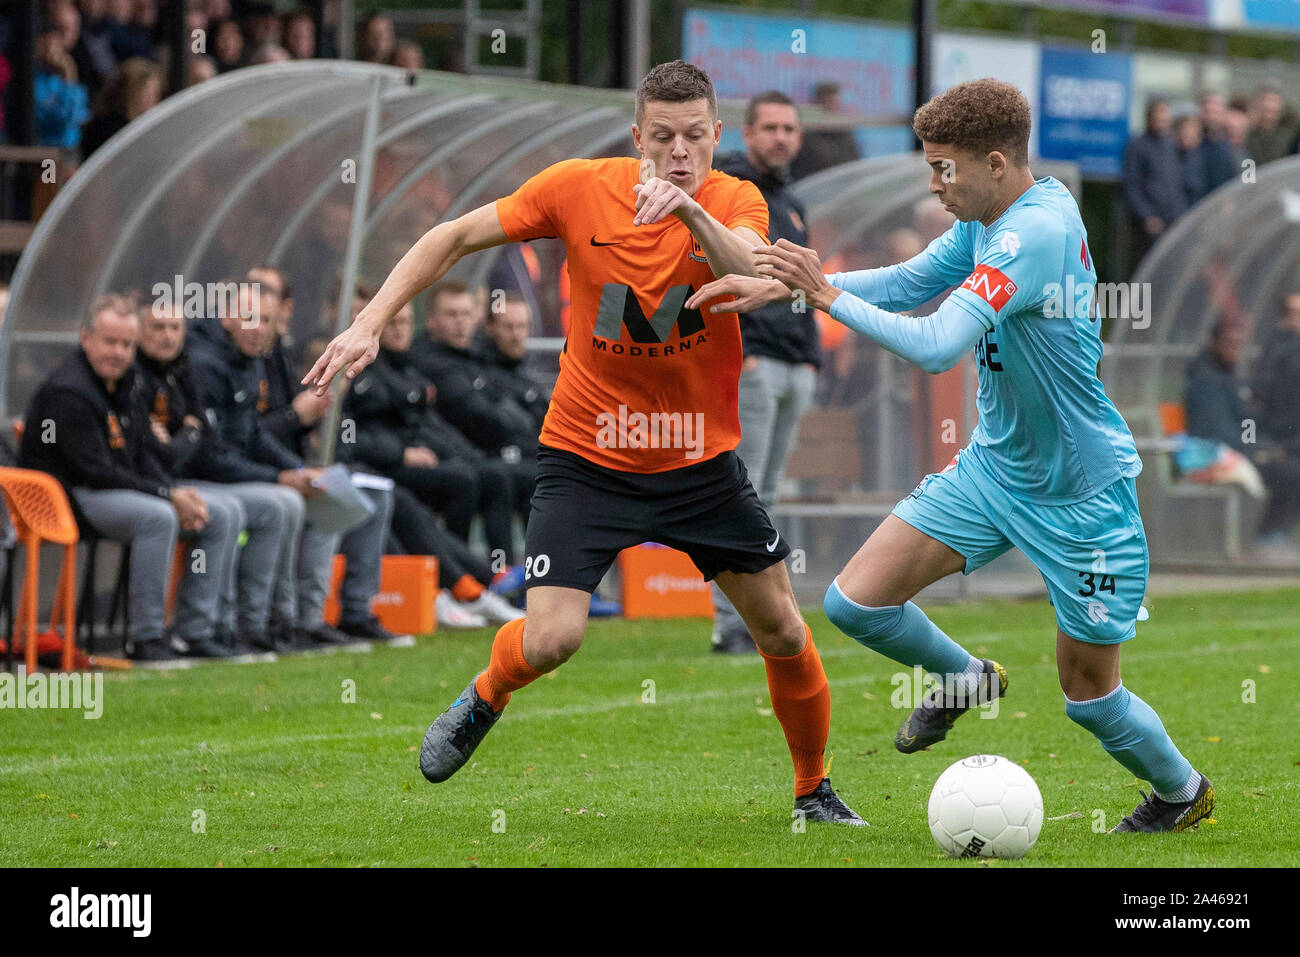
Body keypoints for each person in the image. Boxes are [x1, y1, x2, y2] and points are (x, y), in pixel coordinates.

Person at [304, 60, 865, 825]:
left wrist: (688, 213)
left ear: (716, 137)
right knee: (552, 639)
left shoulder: (737, 197)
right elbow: (454, 234)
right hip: (588, 458)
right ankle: (486, 693)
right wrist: (369, 321)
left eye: (693, 138)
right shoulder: (578, 187)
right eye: (661, 137)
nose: (677, 152)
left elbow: (748, 267)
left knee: (783, 628)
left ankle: (814, 790)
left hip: (699, 463)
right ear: (637, 136)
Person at [696, 78, 1214, 834]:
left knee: (1090, 696)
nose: (933, 183)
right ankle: (965, 677)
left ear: (996, 163)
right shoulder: (989, 216)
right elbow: (911, 282)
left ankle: (1180, 791)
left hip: (1083, 497)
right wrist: (793, 290)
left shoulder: (1030, 232)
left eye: (945, 168)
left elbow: (940, 346)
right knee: (854, 601)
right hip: (994, 471)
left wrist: (827, 298)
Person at [19, 295, 240, 662]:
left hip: (110, 489)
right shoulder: (68, 391)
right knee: (157, 517)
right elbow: (96, 471)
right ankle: (146, 638)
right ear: (86, 338)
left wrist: (172, 491)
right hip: (68, 496)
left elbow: (142, 455)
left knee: (219, 512)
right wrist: (166, 497)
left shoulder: (127, 383)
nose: (118, 352)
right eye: (109, 342)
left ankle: (197, 631)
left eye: (125, 344)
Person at [703, 91, 819, 653]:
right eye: (770, 127)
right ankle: (731, 624)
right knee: (740, 494)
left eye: (790, 128)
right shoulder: (731, 191)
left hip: (796, 366)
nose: (781, 137)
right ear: (745, 134)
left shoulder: (794, 201)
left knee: (767, 493)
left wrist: (811, 358)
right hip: (754, 363)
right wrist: (741, 353)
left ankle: (762, 621)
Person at [135, 299, 289, 655]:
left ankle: (251, 624)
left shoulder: (181, 369)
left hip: (172, 480)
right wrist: (181, 447)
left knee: (277, 505)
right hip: (153, 484)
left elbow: (202, 436)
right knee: (221, 511)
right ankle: (164, 634)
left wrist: (288, 471)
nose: (167, 336)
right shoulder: (185, 368)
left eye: (174, 328)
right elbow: (184, 452)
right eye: (158, 328)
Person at [1185, 318, 1300, 560]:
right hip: (1216, 456)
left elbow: (1247, 422)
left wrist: (1268, 445)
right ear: (1214, 343)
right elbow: (1215, 431)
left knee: (1292, 462)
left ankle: (1273, 535)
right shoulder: (1206, 381)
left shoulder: (1228, 377)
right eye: (1229, 342)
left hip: (1240, 450)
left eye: (1238, 343)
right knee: (1293, 473)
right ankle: (1269, 537)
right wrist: (1260, 450)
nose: (1234, 348)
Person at [1122, 99, 1186, 268]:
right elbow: (1131, 185)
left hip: (1174, 220)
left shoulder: (1171, 146)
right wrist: (1147, 216)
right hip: (1149, 226)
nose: (1161, 121)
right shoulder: (1137, 146)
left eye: (1165, 116)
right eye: (1157, 116)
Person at [789, 81, 860, 181]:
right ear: (817, 103)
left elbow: (852, 163)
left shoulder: (843, 130)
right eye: (828, 102)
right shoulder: (807, 132)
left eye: (835, 102)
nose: (832, 107)